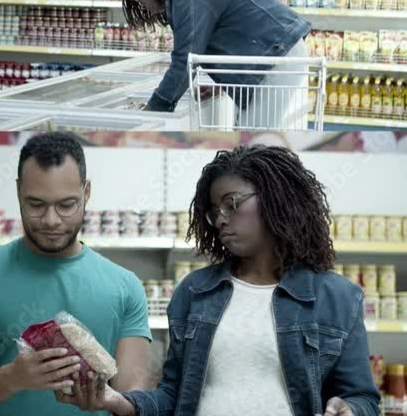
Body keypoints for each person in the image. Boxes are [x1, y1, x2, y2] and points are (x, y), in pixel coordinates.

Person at [57, 145, 381, 416]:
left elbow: (363, 398)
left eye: (232, 203)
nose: (221, 220)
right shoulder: (195, 292)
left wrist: (350, 409)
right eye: (214, 211)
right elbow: (173, 396)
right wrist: (118, 401)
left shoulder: (338, 297)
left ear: (275, 199)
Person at [0, 132, 153, 416]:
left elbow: (138, 402)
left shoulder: (125, 286)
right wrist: (13, 377)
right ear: (18, 191)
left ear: (86, 192)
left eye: (66, 205)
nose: (51, 220)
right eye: (36, 204)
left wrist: (113, 400)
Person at [122, 0, 313, 129]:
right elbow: (236, 29)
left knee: (253, 141)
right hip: (277, 54)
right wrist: (222, 84)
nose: (141, 4)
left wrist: (155, 108)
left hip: (276, 59)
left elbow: (185, 60)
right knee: (248, 136)